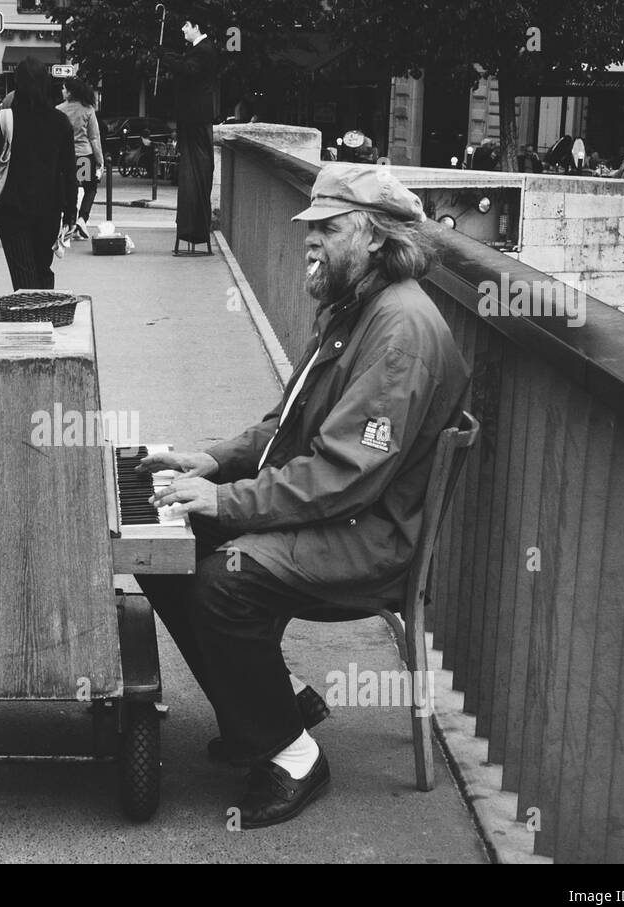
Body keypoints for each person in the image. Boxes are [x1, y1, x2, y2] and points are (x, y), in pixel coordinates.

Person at [133, 164, 470, 828]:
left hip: (369, 536)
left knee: (223, 584)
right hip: (340, 515)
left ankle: (292, 753)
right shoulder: (356, 308)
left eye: (327, 228)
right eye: (309, 227)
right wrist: (213, 460)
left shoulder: (399, 332)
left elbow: (343, 474)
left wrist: (228, 503)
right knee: (160, 546)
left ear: (373, 238)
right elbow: (287, 427)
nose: (308, 241)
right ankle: (274, 704)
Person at [0, 57, 76, 289]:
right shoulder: (60, 122)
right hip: (48, 208)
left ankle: (30, 315)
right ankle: (45, 312)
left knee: (23, 272)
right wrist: (71, 214)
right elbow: (69, 172)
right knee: (43, 267)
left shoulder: (6, 119)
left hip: (11, 207)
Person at [160, 3, 217, 252]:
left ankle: (192, 228)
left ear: (196, 27)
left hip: (194, 120)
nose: (182, 29)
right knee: (194, 174)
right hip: (194, 120)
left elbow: (188, 68)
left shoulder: (203, 51)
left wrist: (165, 57)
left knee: (193, 174)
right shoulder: (200, 50)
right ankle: (193, 229)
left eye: (185, 25)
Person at [56, 76, 105, 241]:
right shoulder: (88, 110)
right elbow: (94, 137)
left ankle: (68, 223)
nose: (62, 91)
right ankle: (82, 219)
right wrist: (99, 160)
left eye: (64, 89)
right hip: (84, 156)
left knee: (71, 190)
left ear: (70, 92)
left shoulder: (59, 110)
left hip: (65, 158)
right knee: (89, 188)